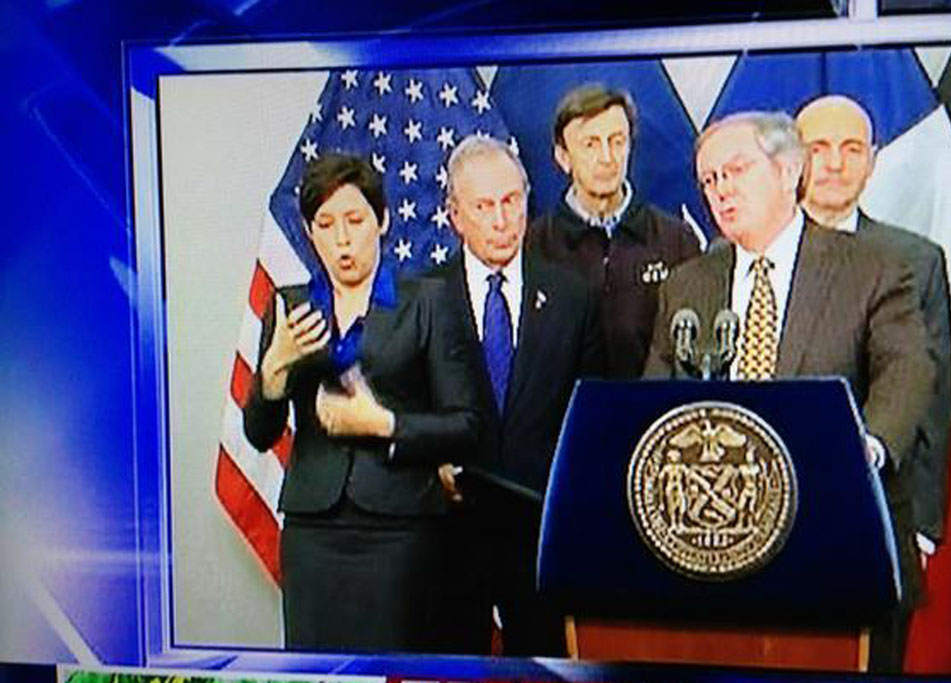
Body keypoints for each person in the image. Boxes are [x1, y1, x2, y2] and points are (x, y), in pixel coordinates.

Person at [644, 111, 934, 674]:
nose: (720, 191)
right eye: (708, 181)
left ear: (787, 172)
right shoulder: (688, 284)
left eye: (735, 171)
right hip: (723, 557)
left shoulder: (873, 267)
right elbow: (659, 402)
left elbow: (908, 370)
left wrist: (865, 451)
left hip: (845, 544)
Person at [243, 154, 481, 653]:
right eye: (326, 225)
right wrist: (274, 368)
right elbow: (259, 433)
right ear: (309, 232)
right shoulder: (290, 308)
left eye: (355, 221)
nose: (343, 240)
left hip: (400, 532)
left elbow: (465, 424)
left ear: (383, 220)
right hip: (313, 532)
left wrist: (383, 424)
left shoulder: (428, 302)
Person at [435, 135, 604, 656]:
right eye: (484, 207)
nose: (501, 220)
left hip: (542, 534)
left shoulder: (573, 296)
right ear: (455, 215)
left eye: (512, 201)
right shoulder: (421, 298)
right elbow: (405, 413)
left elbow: (590, 416)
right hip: (448, 539)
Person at [795, 94, 951, 562]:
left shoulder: (915, 260)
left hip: (879, 512)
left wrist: (923, 524)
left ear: (873, 160)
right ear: (792, 160)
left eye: (852, 149)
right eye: (818, 148)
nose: (834, 164)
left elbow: (933, 397)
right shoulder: (749, 256)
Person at [527, 84, 702, 378]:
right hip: (566, 420)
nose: (607, 157)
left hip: (656, 416)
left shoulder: (677, 240)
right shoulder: (535, 245)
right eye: (591, 144)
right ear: (563, 157)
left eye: (617, 141)